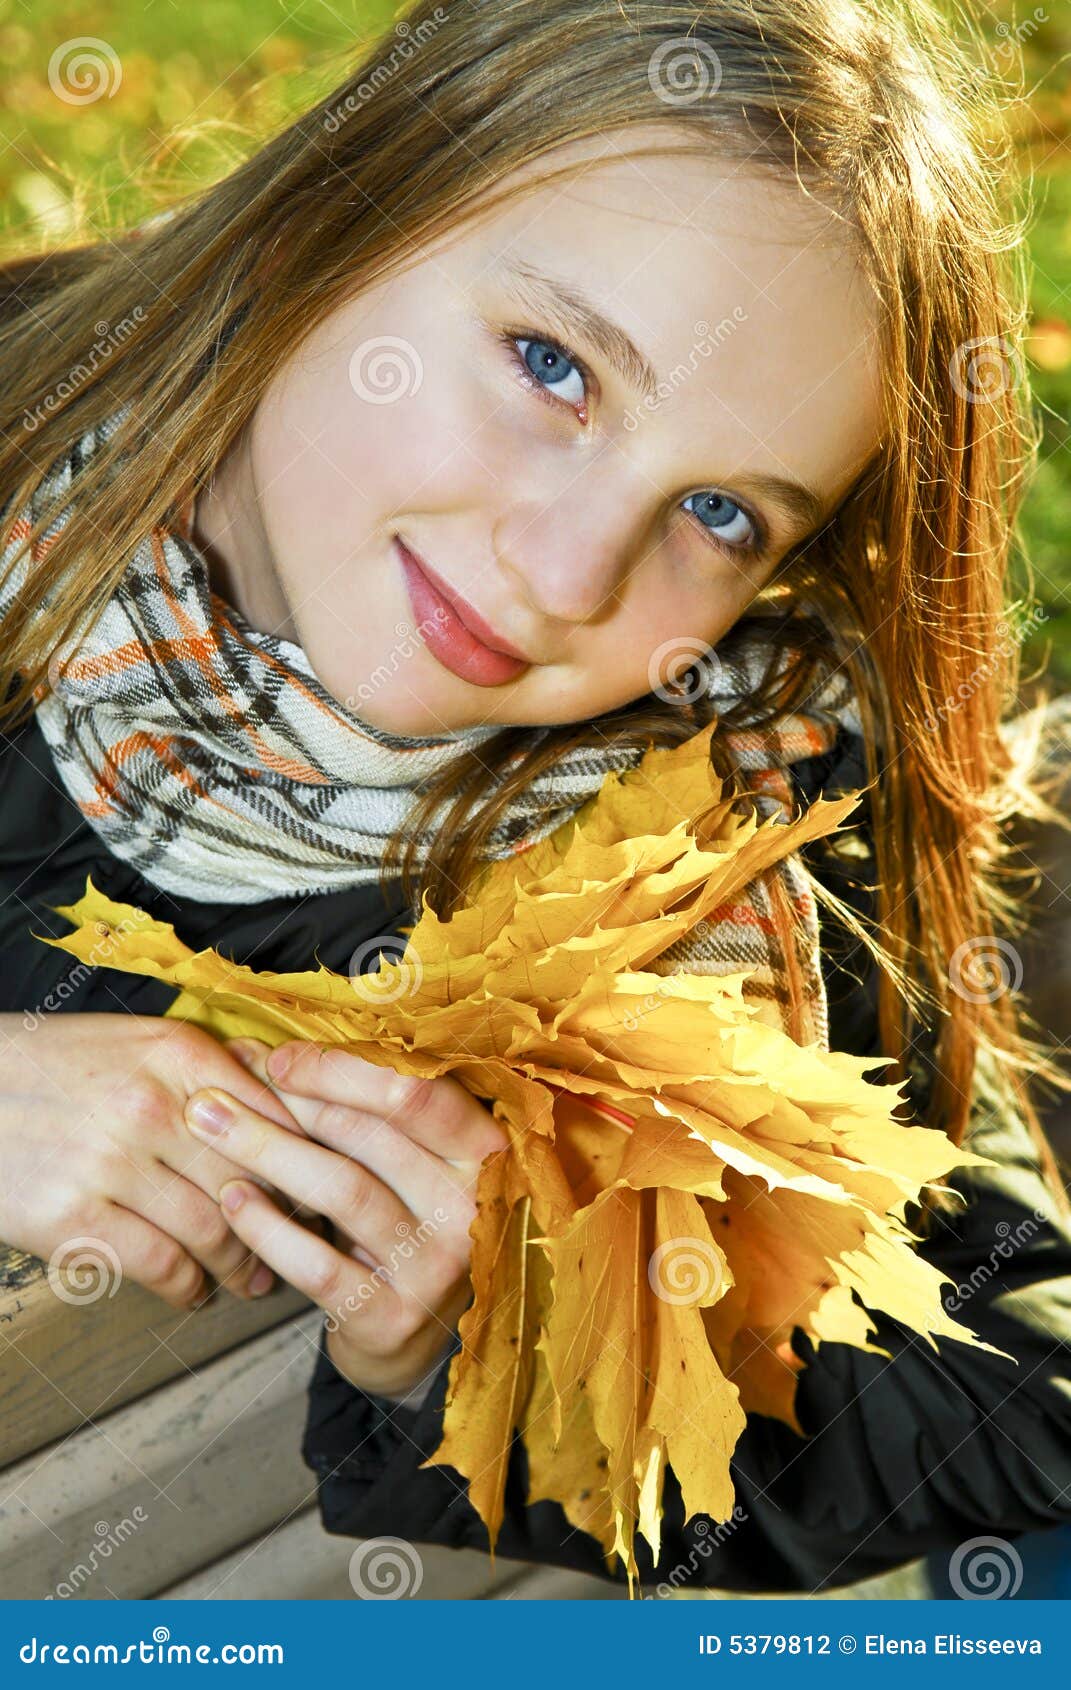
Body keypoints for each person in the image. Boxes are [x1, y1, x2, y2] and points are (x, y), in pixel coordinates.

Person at [1, 0, 1069, 1594]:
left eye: (718, 510)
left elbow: (1005, 1386)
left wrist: (497, 1346)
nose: (569, 576)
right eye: (551, 366)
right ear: (345, 207)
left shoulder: (725, 825)